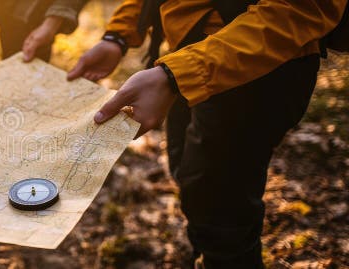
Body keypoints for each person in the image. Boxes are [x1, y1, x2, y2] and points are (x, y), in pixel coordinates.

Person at [67, 0, 347, 267]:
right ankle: (207, 251)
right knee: (190, 178)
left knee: (221, 212)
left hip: (261, 70)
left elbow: (303, 10)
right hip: (185, 58)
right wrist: (118, 36)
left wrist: (176, 76)